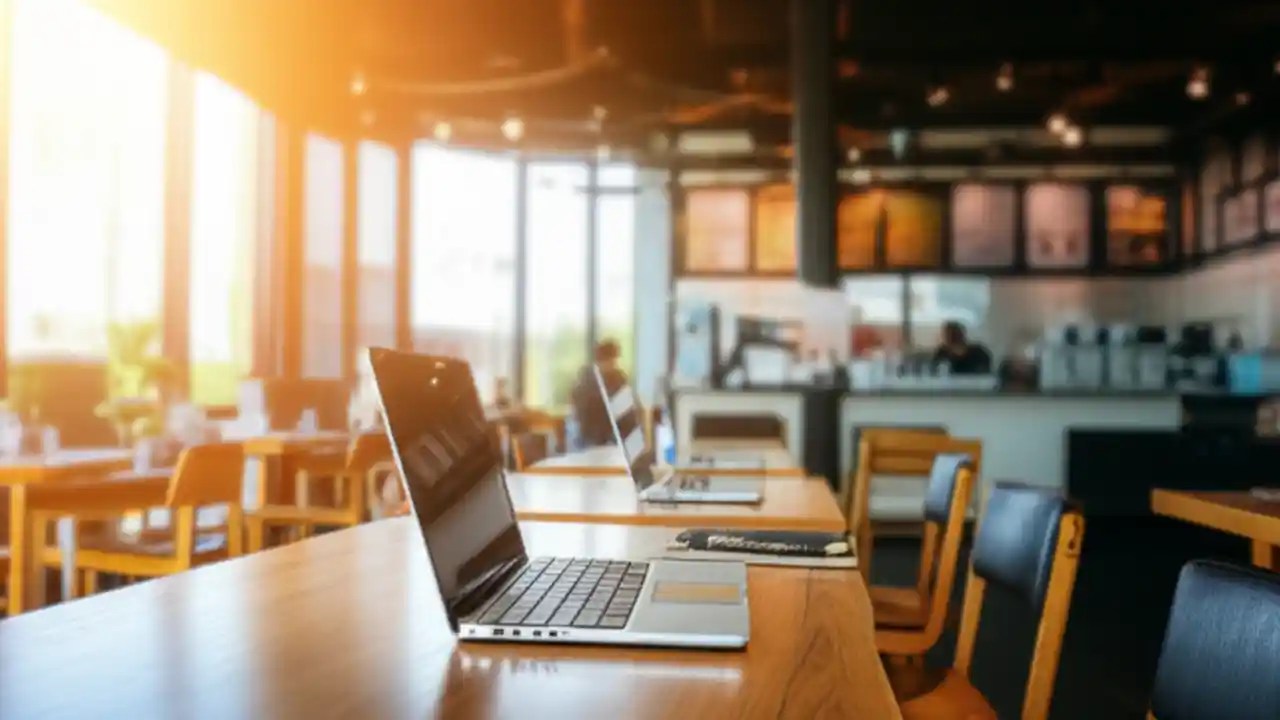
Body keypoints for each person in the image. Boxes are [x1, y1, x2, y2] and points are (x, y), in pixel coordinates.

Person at [571, 340, 628, 448]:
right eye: (612, 360)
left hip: (614, 437)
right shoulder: (586, 383)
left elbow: (626, 413)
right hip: (591, 438)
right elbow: (583, 416)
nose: (614, 364)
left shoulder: (618, 379)